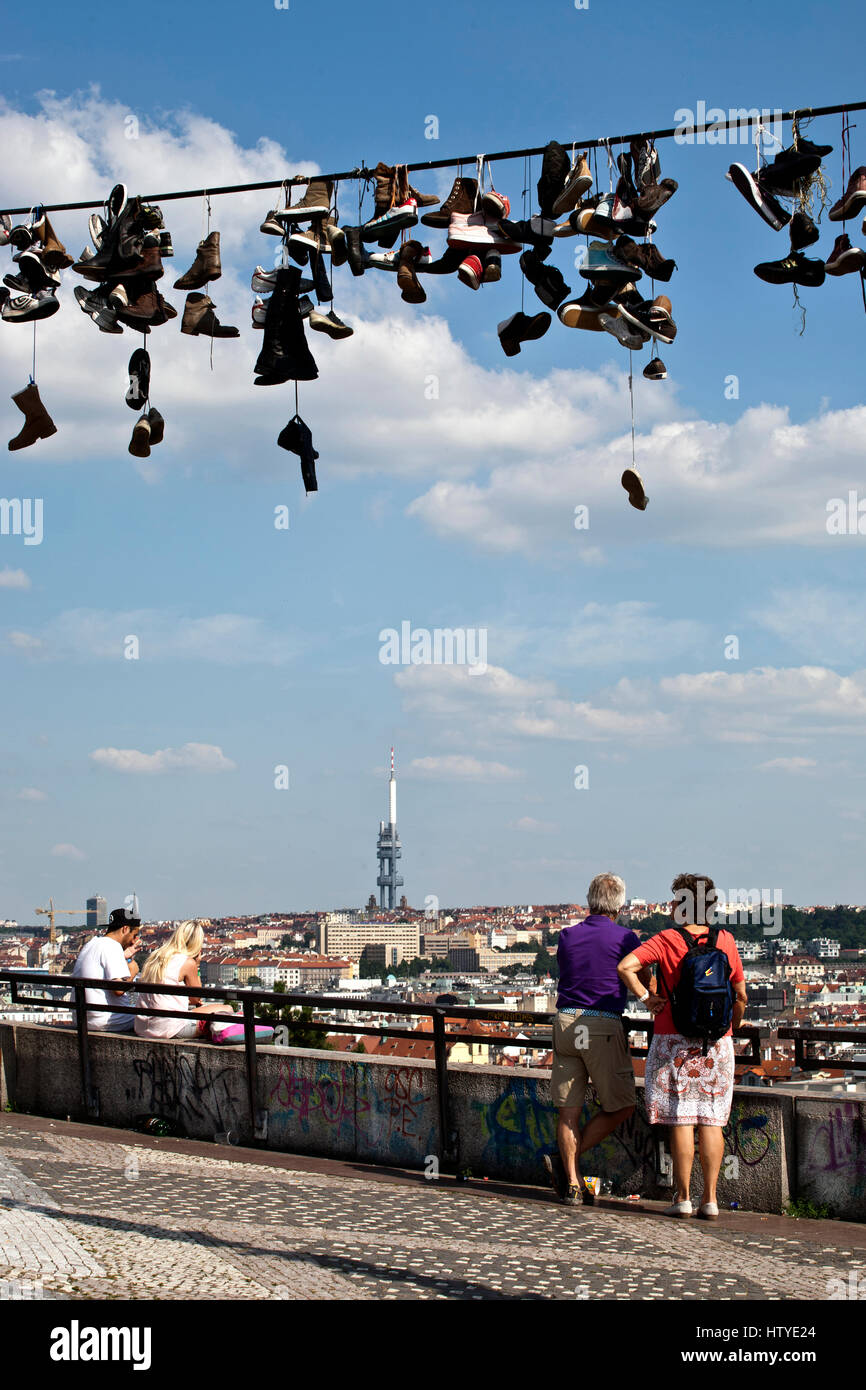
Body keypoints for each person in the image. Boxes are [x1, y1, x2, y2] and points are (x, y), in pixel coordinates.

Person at [617, 872, 748, 1221]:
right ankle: (711, 1199)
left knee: (681, 1120)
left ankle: (683, 1197)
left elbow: (626, 967)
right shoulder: (727, 941)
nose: (672, 906)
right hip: (715, 1045)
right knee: (712, 1121)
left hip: (674, 1041)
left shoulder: (667, 939)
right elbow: (740, 995)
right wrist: (733, 1024)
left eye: (676, 901)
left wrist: (649, 999)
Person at [545, 872, 652, 1205]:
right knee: (621, 1106)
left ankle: (573, 1182)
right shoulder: (626, 938)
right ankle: (565, 1162)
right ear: (619, 906)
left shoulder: (566, 936)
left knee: (568, 1113)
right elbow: (643, 977)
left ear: (590, 901)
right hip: (600, 1024)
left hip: (565, 1023)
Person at [134, 920, 227, 1040]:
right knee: (227, 1009)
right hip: (168, 1027)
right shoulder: (187, 962)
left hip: (142, 1027)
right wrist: (197, 965)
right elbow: (195, 999)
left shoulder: (156, 957)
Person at [71, 907, 141, 1032]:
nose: (134, 940)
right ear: (125, 929)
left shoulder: (91, 944)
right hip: (105, 1019)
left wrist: (124, 957)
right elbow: (118, 990)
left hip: (81, 1018)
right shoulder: (112, 946)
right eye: (134, 935)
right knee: (152, 1018)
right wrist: (133, 971)